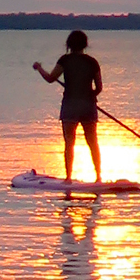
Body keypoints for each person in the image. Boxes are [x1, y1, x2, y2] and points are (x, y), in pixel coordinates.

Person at [34, 30, 103, 182]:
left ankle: (68, 178)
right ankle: (98, 177)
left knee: (69, 143)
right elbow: (99, 88)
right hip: (88, 107)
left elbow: (51, 78)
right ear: (85, 45)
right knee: (92, 142)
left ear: (69, 45)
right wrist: (90, 96)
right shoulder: (92, 62)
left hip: (70, 107)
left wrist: (39, 68)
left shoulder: (65, 60)